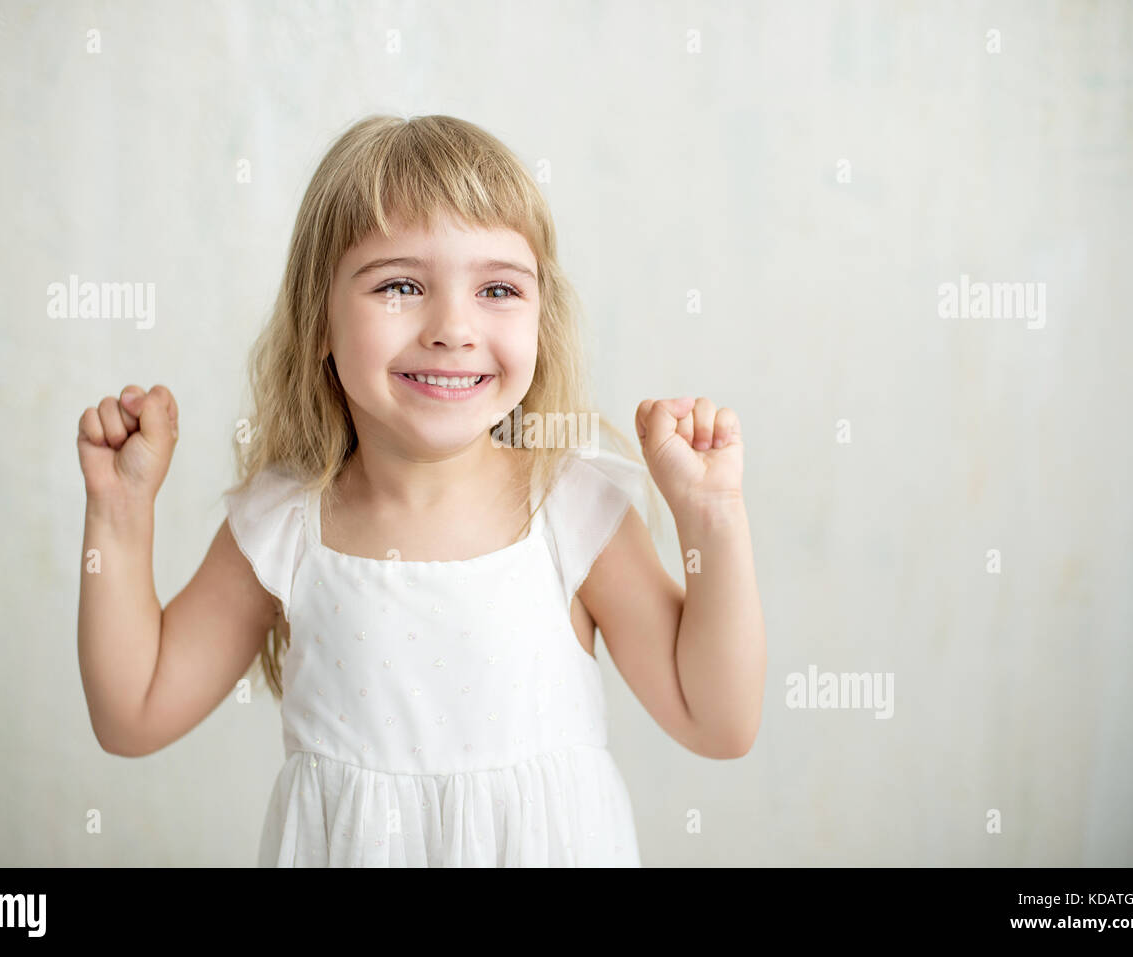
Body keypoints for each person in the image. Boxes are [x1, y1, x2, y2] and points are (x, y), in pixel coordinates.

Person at [76, 113, 766, 866]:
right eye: (402, 284)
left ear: (542, 315)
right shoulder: (285, 521)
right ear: (321, 321)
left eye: (499, 288)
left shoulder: (571, 505)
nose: (453, 327)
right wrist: (118, 511)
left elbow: (719, 721)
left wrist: (713, 518)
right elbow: (132, 712)